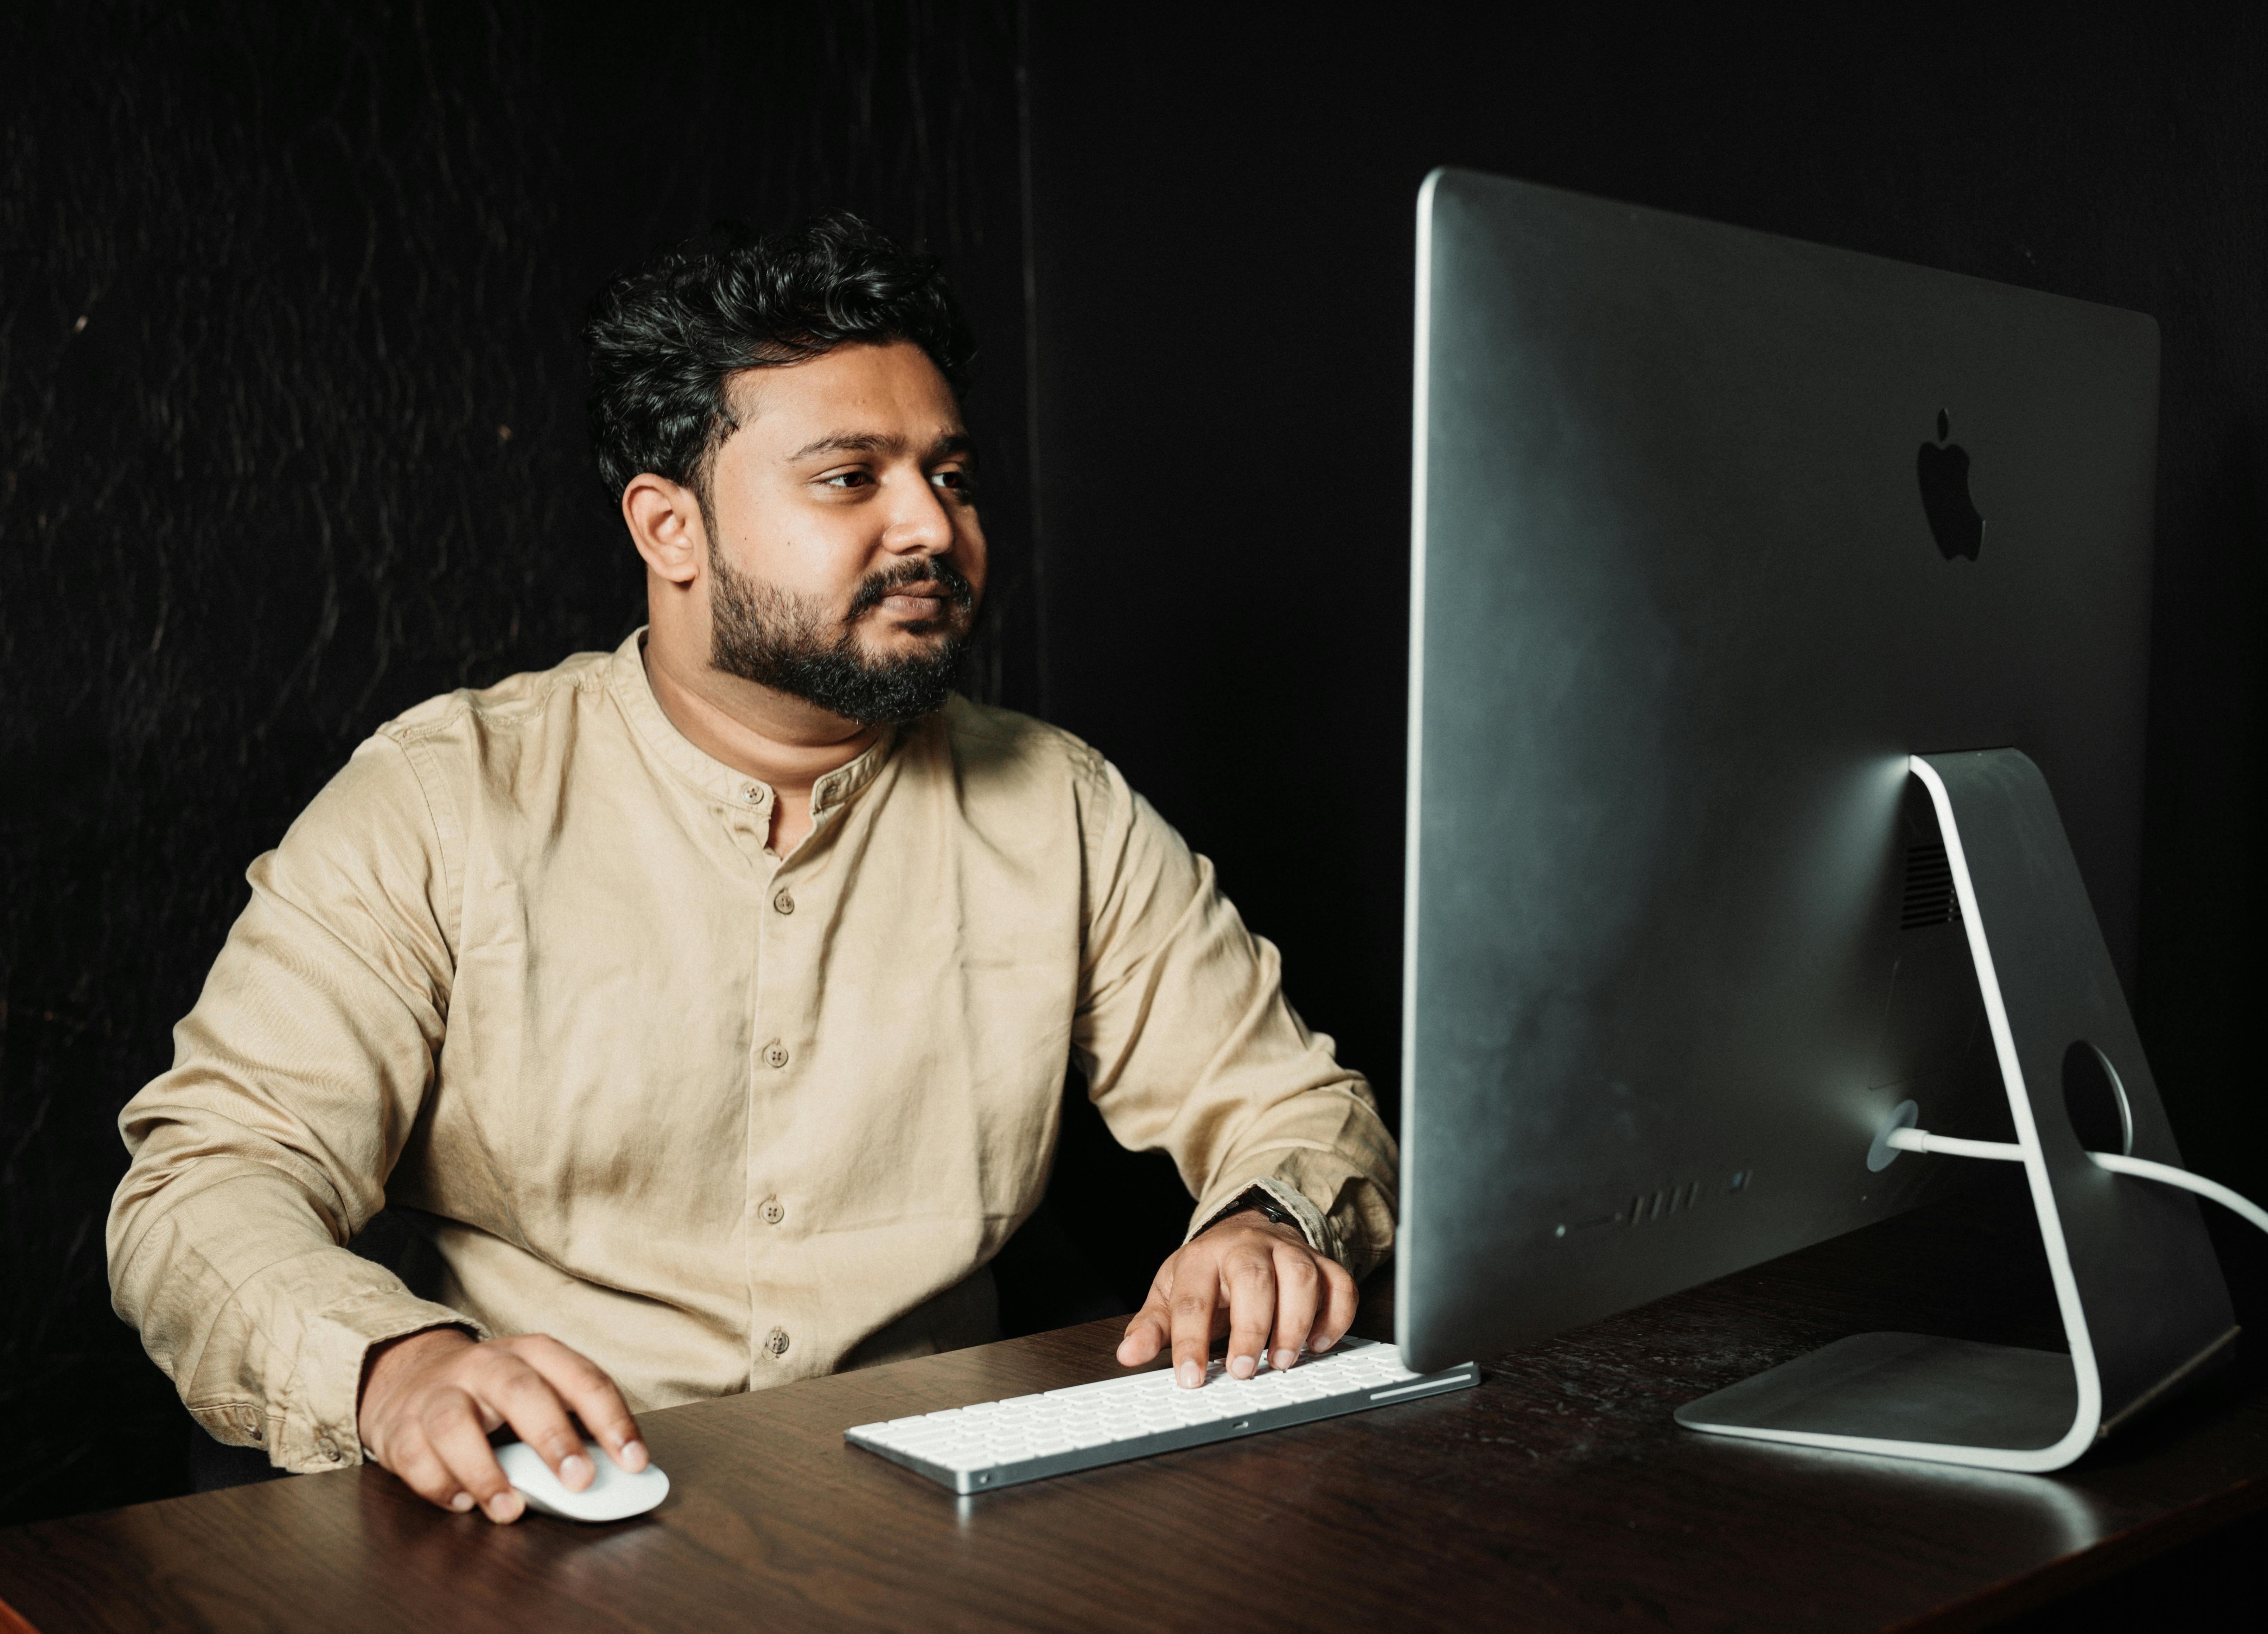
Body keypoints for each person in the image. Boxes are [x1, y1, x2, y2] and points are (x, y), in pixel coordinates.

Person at [106, 215, 1397, 1524]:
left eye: (949, 476)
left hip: (952, 1525)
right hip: (550, 1518)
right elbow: (206, 1181)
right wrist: (394, 1368)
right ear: (670, 528)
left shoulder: (1060, 806)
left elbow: (1296, 1110)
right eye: (851, 478)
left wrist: (1267, 1227)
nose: (932, 528)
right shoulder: (443, 803)